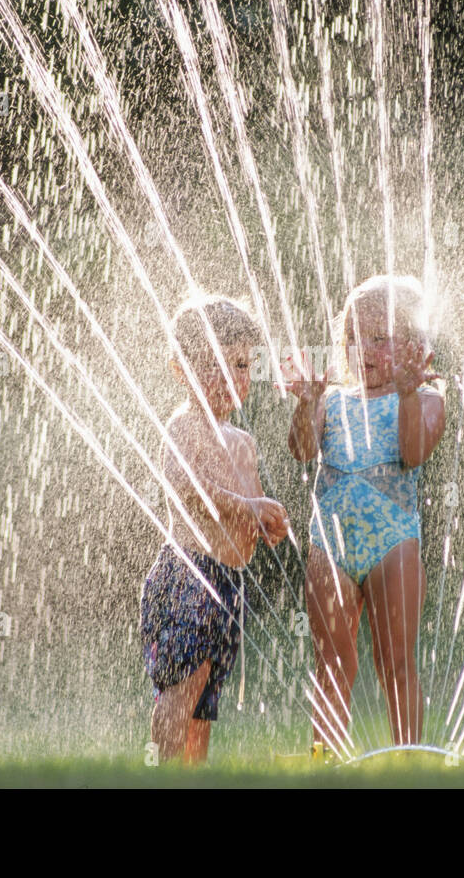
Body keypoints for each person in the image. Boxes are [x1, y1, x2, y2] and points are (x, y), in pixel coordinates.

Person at [284, 275, 445, 755]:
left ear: (415, 346)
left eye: (380, 338)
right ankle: (325, 761)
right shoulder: (331, 399)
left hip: (392, 540)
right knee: (332, 663)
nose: (364, 350)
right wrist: (307, 403)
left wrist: (410, 395)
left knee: (395, 662)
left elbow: (414, 453)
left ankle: (409, 760)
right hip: (329, 543)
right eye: (353, 338)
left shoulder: (424, 398)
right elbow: (300, 450)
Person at [140, 296, 290, 763]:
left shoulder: (243, 442)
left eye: (243, 364)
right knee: (185, 685)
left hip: (229, 585)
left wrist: (268, 525)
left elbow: (251, 508)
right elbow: (185, 487)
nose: (233, 378)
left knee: (206, 701)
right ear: (180, 368)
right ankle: (162, 769)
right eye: (216, 365)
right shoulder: (184, 426)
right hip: (188, 576)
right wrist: (248, 504)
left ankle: (193, 773)